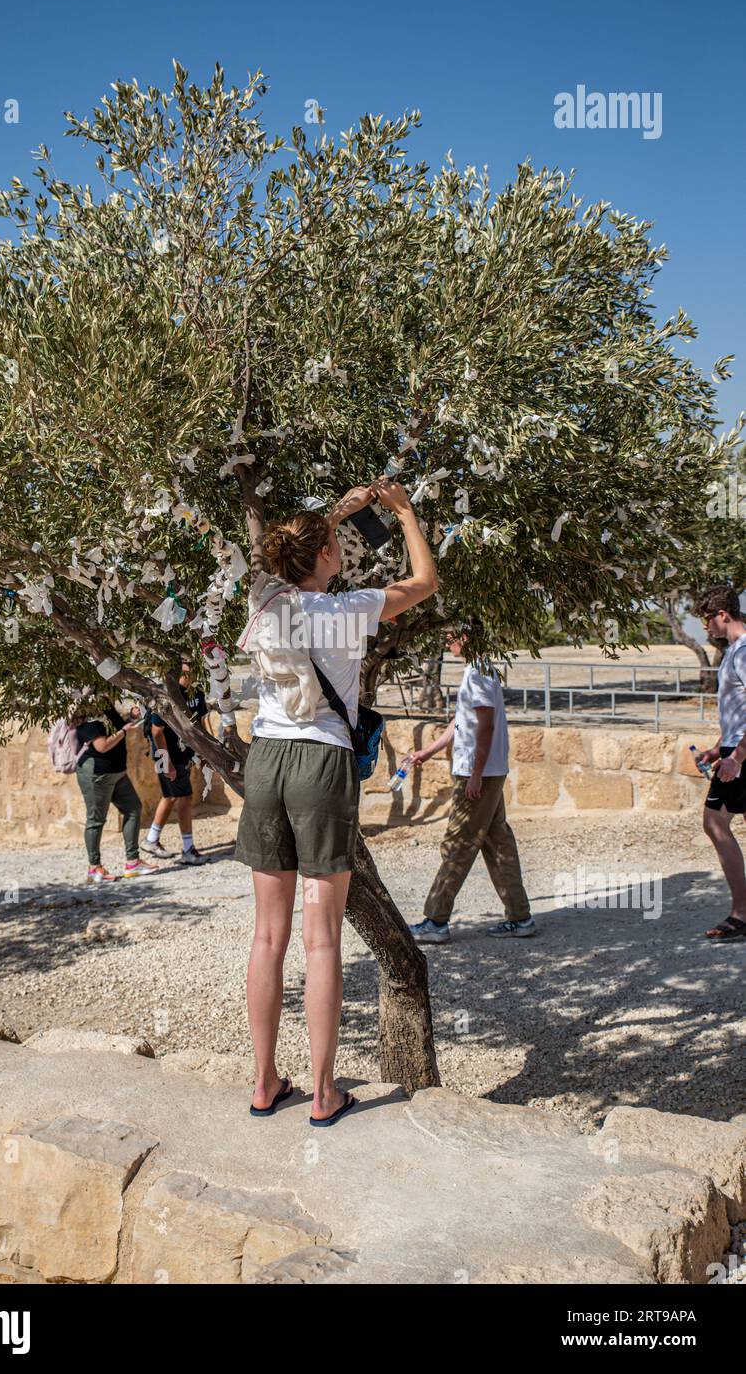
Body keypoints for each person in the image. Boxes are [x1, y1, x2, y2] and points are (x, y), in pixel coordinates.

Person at [234, 479, 437, 1125]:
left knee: (268, 936)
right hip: (320, 763)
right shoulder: (347, 609)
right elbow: (424, 581)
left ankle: (264, 1083)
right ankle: (323, 1094)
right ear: (325, 552)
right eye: (332, 544)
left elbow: (281, 554)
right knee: (320, 940)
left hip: (264, 759)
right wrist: (403, 514)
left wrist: (334, 515)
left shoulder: (263, 604)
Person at [408, 626, 535, 942]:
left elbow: (486, 726)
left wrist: (475, 774)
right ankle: (520, 918)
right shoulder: (480, 668)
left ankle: (435, 921)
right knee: (498, 843)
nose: (446, 640)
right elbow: (463, 721)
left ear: (466, 637)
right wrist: (427, 751)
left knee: (458, 844)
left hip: (478, 774)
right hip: (489, 772)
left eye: (451, 634)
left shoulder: (478, 672)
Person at [693, 585, 746, 940]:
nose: (705, 626)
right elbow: (738, 711)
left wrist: (736, 757)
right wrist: (717, 749)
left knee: (714, 822)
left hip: (742, 754)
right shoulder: (733, 651)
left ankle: (741, 914)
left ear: (723, 615)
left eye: (707, 618)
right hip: (734, 748)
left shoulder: (743, 653)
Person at [75, 703, 157, 882]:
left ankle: (133, 863)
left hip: (117, 772)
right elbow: (102, 746)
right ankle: (94, 868)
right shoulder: (89, 719)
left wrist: (131, 718)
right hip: (97, 774)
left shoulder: (107, 709)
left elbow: (116, 726)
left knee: (133, 808)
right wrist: (124, 731)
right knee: (96, 819)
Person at [142, 658, 210, 866]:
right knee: (183, 797)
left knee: (172, 796)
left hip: (183, 755)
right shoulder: (166, 695)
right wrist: (166, 763)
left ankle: (151, 840)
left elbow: (201, 722)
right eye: (185, 672)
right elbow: (156, 731)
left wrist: (206, 752)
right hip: (166, 756)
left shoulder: (196, 694)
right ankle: (188, 849)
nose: (188, 676)